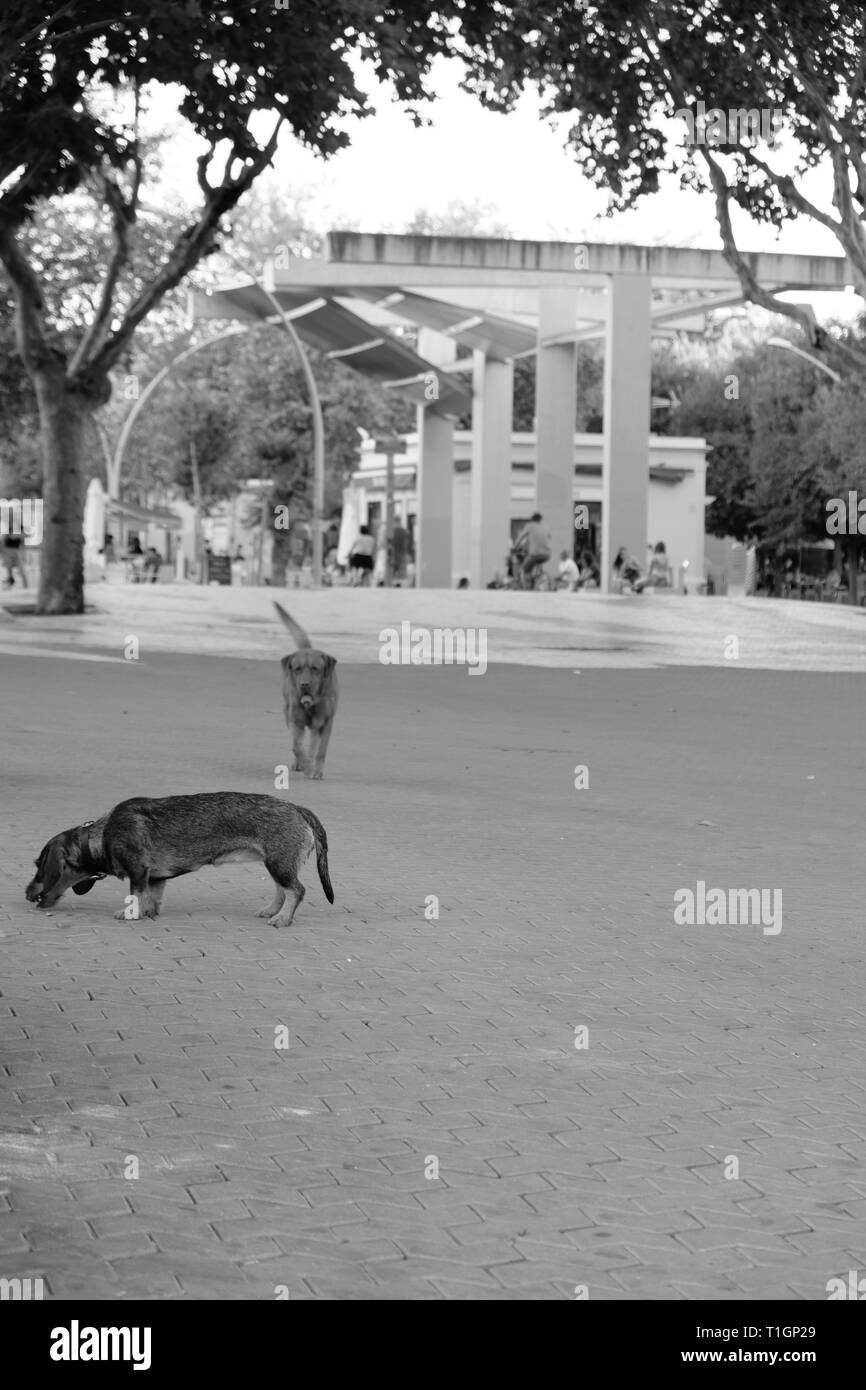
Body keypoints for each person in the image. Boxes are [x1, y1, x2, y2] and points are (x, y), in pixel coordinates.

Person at [512, 513, 551, 587]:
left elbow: (521, 536)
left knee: (526, 568)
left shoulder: (530, 526)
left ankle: (529, 585)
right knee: (536, 562)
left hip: (536, 554)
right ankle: (538, 577)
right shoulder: (545, 526)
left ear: (532, 519)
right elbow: (549, 537)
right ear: (540, 520)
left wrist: (514, 547)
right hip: (547, 554)